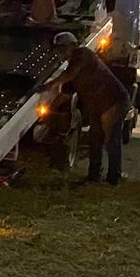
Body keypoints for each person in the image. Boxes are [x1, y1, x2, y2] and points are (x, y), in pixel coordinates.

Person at [42, 30, 131, 185]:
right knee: (95, 139)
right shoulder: (72, 71)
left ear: (72, 45)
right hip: (98, 105)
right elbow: (66, 95)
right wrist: (48, 111)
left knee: (111, 139)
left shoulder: (83, 54)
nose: (62, 53)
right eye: (59, 50)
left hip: (114, 101)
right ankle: (94, 176)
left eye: (63, 49)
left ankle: (113, 178)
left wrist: (50, 85)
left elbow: (70, 74)